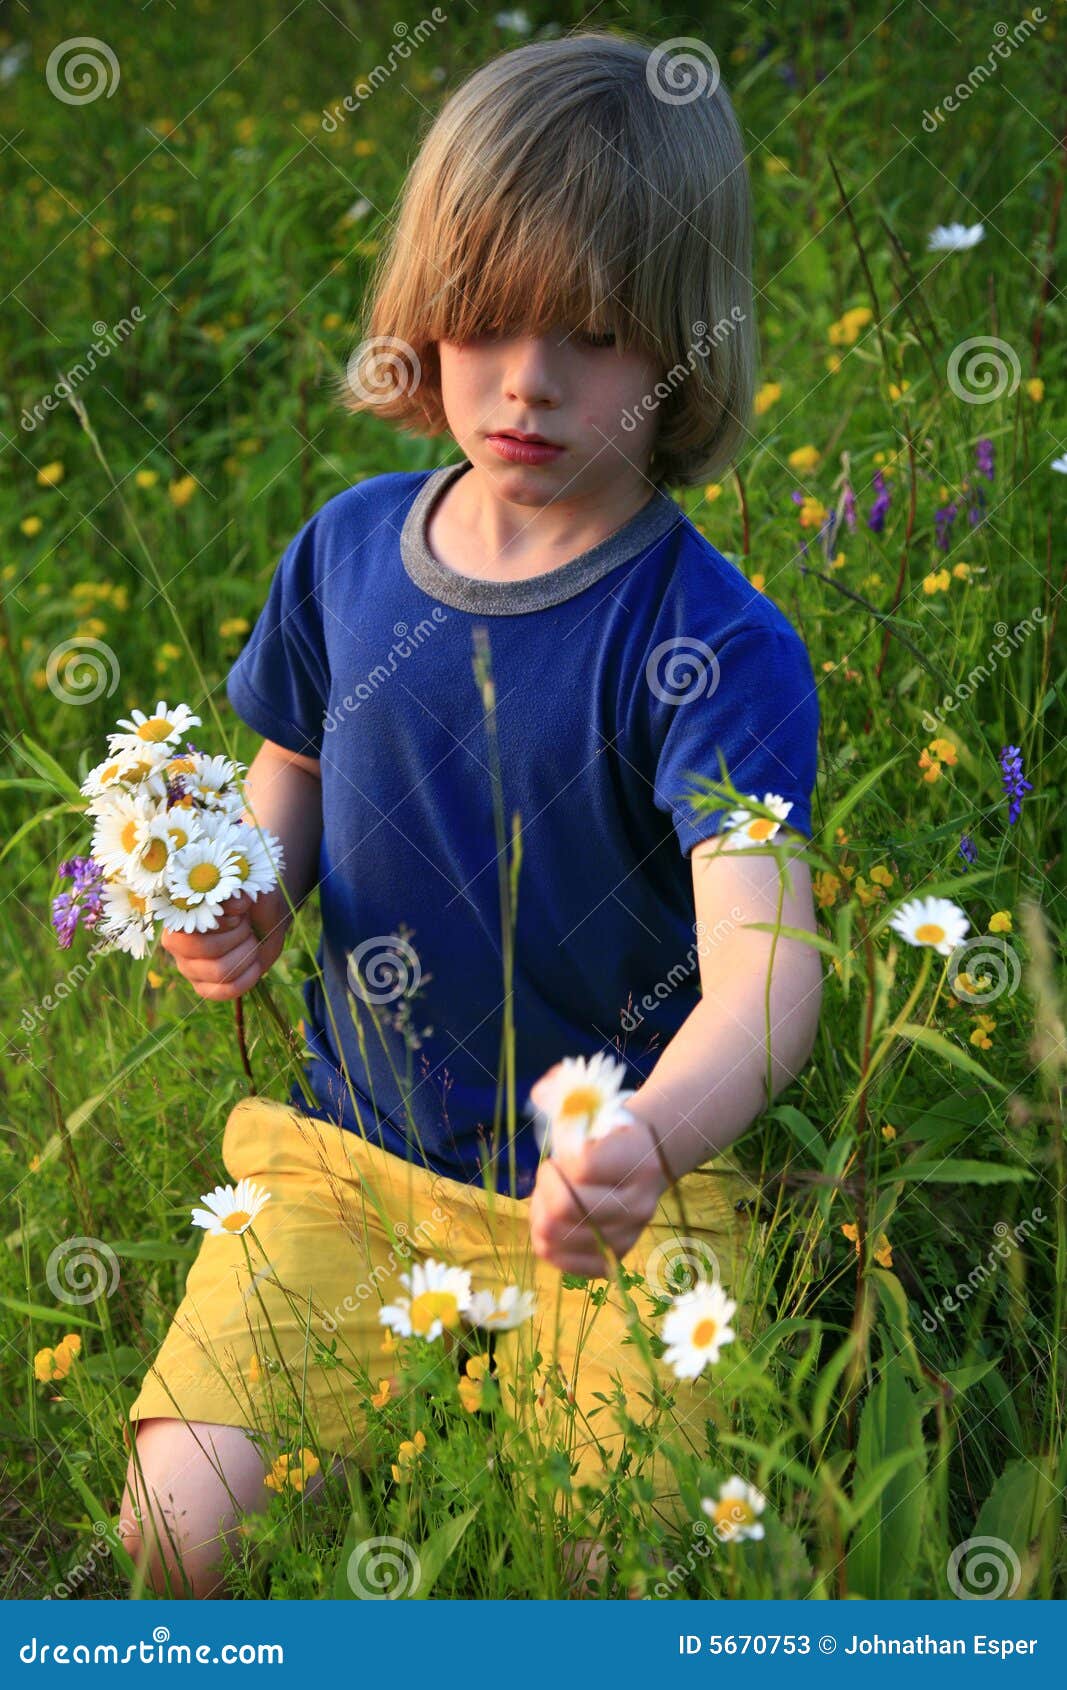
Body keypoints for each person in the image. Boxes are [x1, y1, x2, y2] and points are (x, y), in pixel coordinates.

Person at [118, 25, 822, 1600]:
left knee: (616, 1561)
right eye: (486, 319)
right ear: (422, 311)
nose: (528, 379)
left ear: (684, 351)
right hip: (350, 1159)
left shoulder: (709, 641)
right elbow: (296, 765)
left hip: (625, 1190)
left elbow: (770, 972)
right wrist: (249, 888)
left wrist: (650, 1138)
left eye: (597, 333)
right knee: (174, 1530)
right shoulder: (348, 552)